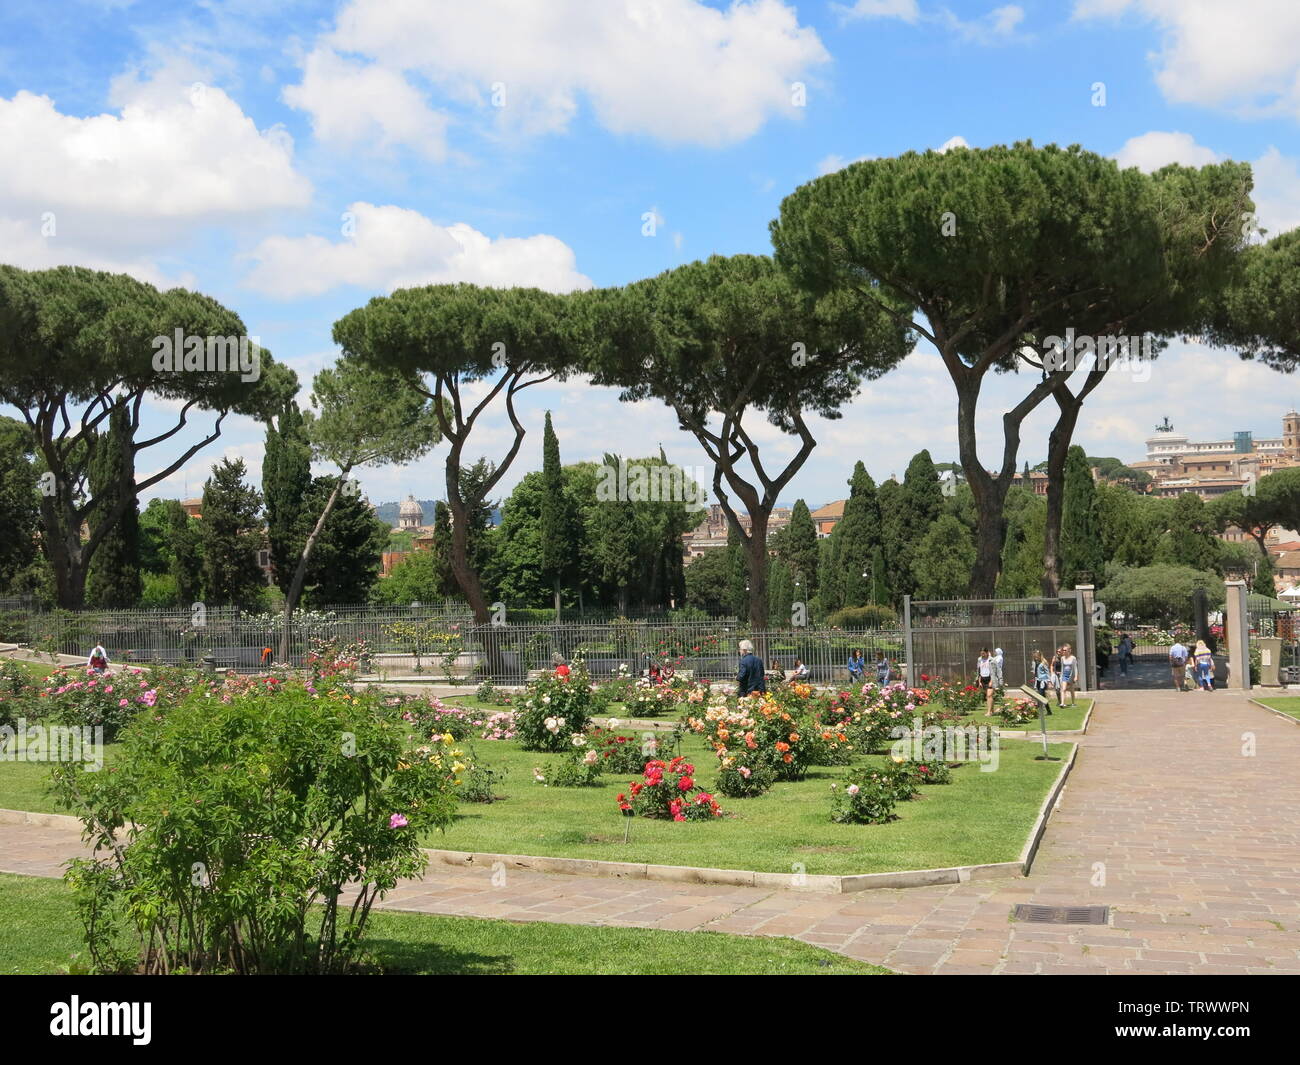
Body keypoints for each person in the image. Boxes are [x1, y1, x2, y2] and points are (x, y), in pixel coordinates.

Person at [976, 648, 994, 715]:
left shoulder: (991, 660)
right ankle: (992, 711)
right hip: (983, 678)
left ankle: (989, 712)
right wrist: (979, 681)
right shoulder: (979, 660)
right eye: (981, 653)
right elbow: (979, 671)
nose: (982, 655)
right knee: (989, 696)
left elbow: (994, 672)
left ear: (987, 652)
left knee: (989, 695)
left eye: (983, 653)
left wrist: (991, 681)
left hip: (990, 678)